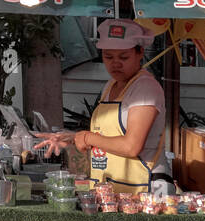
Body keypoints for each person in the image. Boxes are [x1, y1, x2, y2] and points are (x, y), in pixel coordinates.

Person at [37, 18, 168, 194]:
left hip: (143, 189)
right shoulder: (110, 85)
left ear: (140, 53)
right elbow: (106, 137)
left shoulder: (145, 88)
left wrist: (87, 137)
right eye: (108, 56)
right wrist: (72, 138)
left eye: (123, 57)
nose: (115, 63)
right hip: (111, 187)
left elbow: (131, 146)